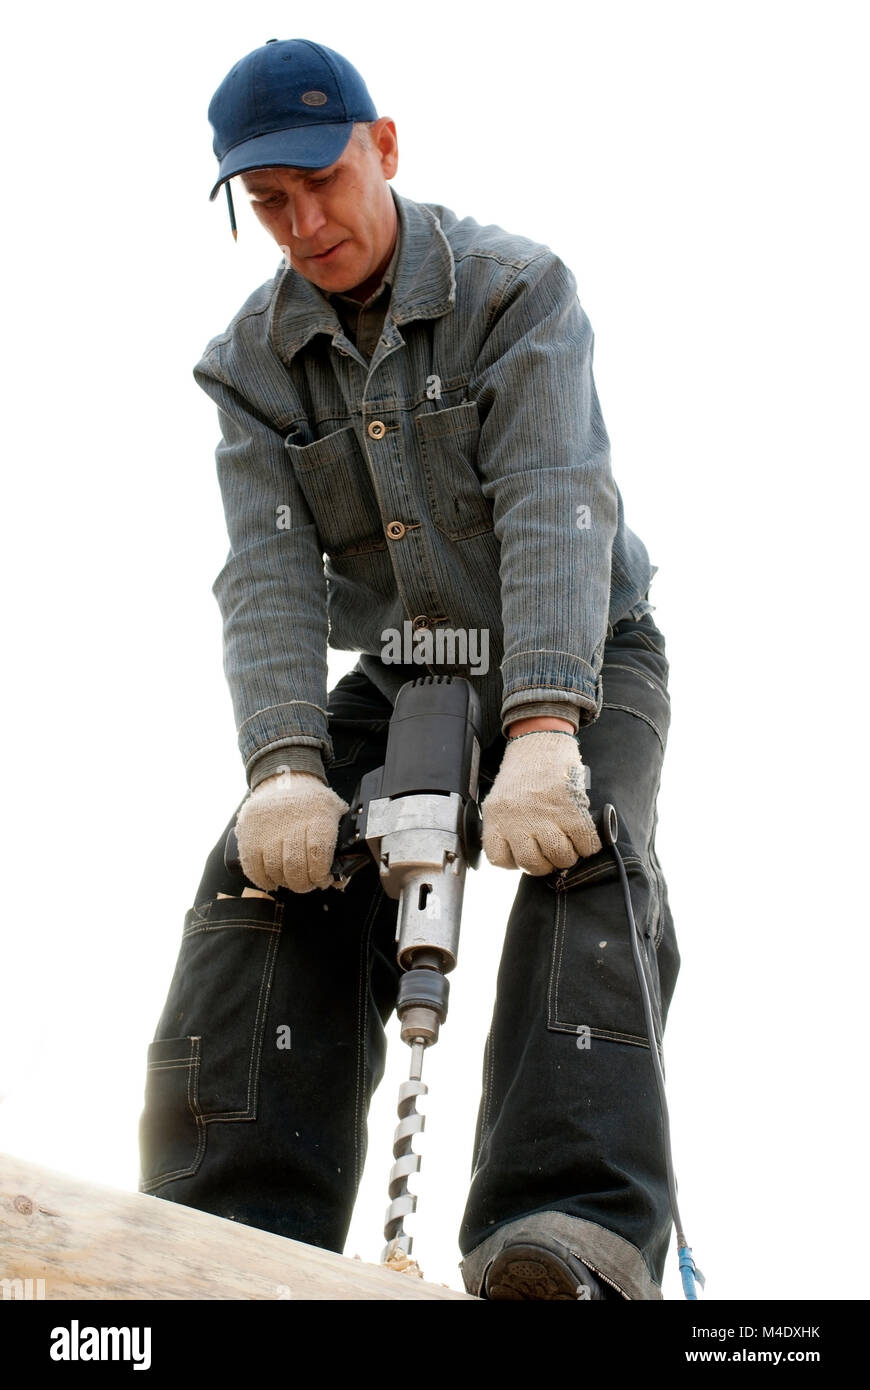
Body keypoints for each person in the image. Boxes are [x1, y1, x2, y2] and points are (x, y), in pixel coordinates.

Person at [138, 37, 680, 1301]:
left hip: (582, 647)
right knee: (263, 874)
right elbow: (266, 570)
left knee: (586, 851)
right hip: (409, 666)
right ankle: (230, 1228)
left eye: (321, 182)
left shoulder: (515, 291)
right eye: (267, 204)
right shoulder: (250, 365)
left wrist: (545, 727)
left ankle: (570, 1234)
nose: (302, 222)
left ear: (384, 147)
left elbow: (554, 497)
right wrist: (282, 767)